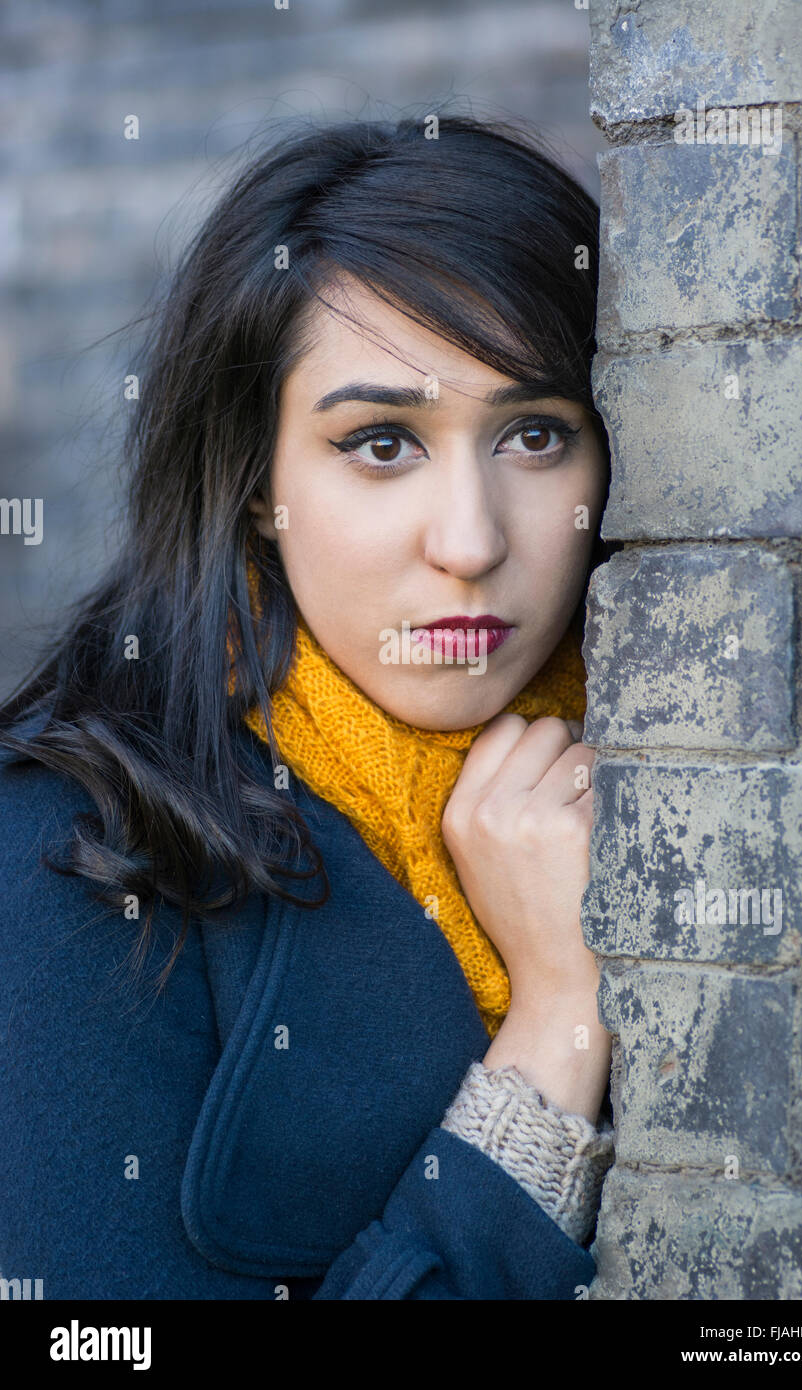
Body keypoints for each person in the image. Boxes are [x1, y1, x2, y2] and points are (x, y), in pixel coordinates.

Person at [0, 112, 615, 1300]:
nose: (471, 541)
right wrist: (551, 1030)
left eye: (535, 434)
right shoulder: (74, 851)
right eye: (381, 442)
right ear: (251, 486)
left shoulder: (704, 771)